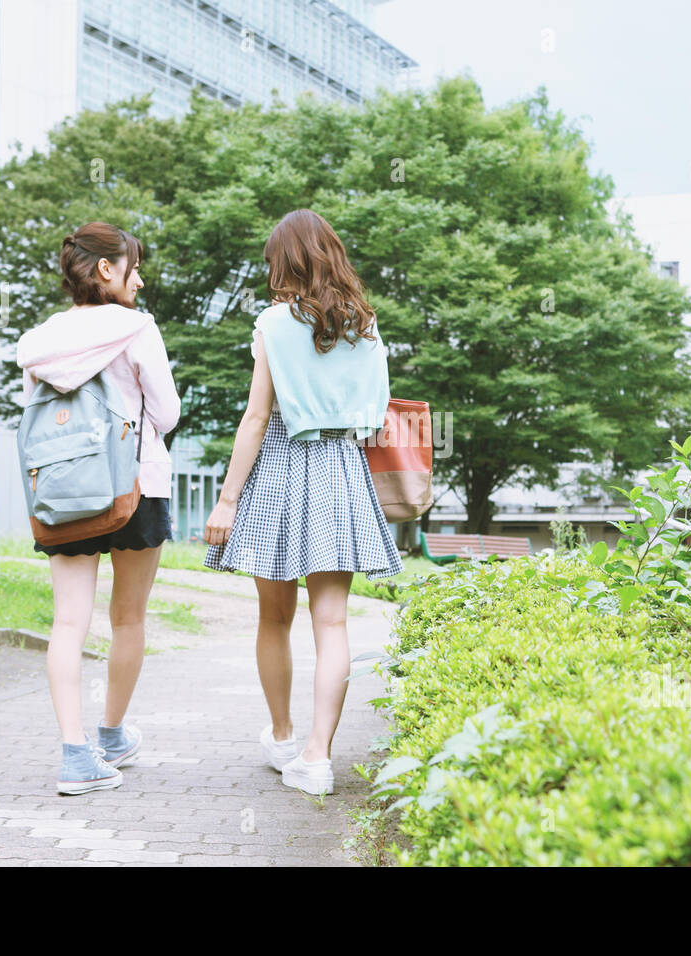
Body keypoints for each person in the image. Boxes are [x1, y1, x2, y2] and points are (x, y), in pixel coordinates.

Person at [203, 208, 404, 796]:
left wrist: (226, 500)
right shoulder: (366, 325)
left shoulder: (272, 323)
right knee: (333, 620)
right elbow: (379, 412)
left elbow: (257, 416)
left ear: (285, 260)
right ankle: (318, 757)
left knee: (274, 616)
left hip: (282, 469)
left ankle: (284, 736)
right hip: (342, 471)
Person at [17, 222, 181, 795]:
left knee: (68, 621)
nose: (139, 278)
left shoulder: (39, 341)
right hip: (133, 485)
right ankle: (110, 734)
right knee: (128, 618)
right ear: (106, 270)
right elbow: (166, 411)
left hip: (62, 490)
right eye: (132, 266)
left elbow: (33, 412)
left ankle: (73, 753)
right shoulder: (137, 328)